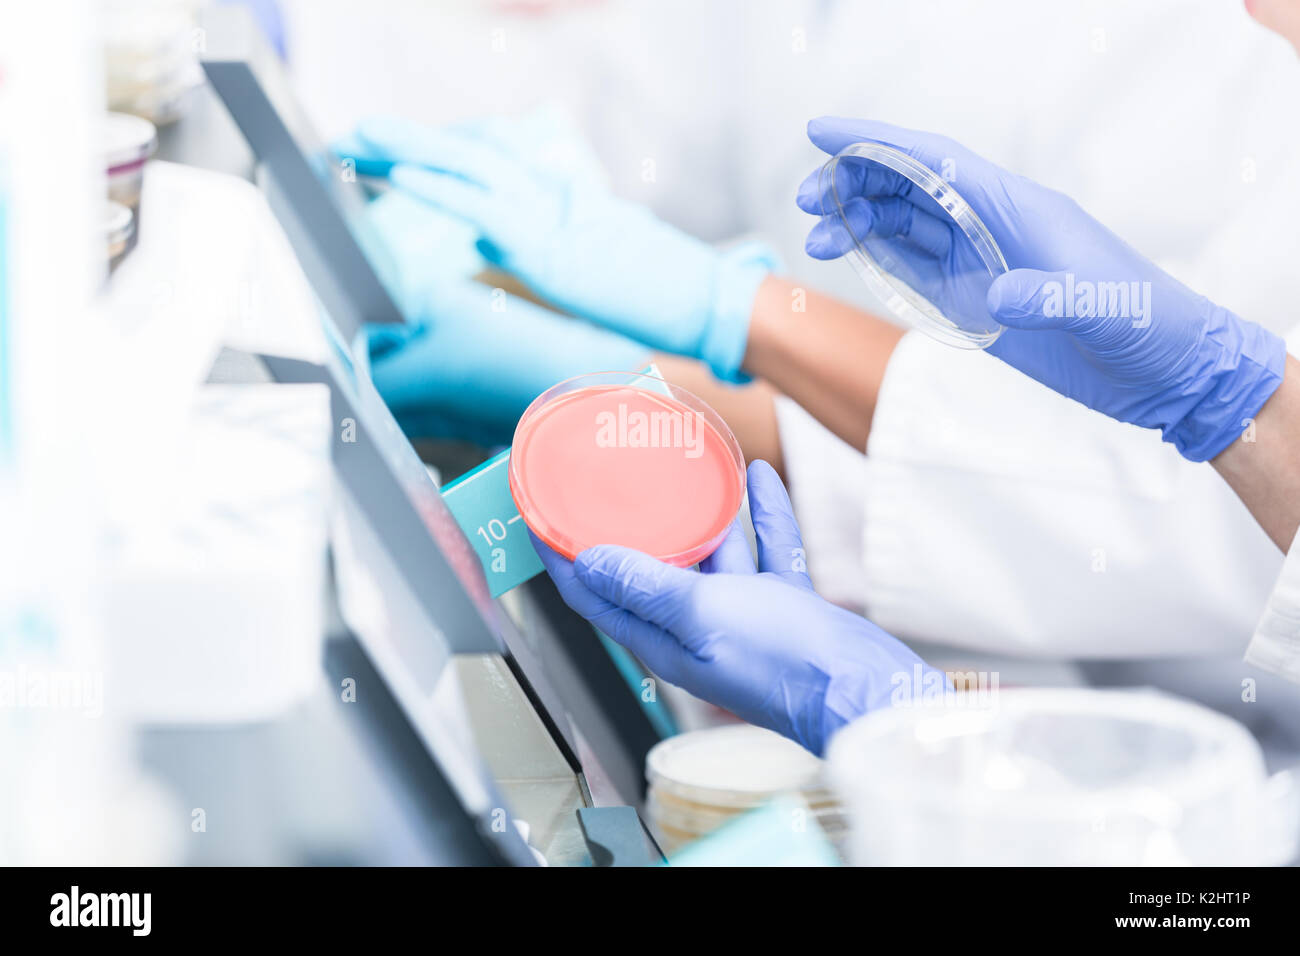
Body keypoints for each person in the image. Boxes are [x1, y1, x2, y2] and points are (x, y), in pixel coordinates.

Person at [337, 2, 1300, 752]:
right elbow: (666, 98)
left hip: (1155, 710)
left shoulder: (1217, 78)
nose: (1252, 15)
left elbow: (1140, 504)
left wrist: (908, 728)